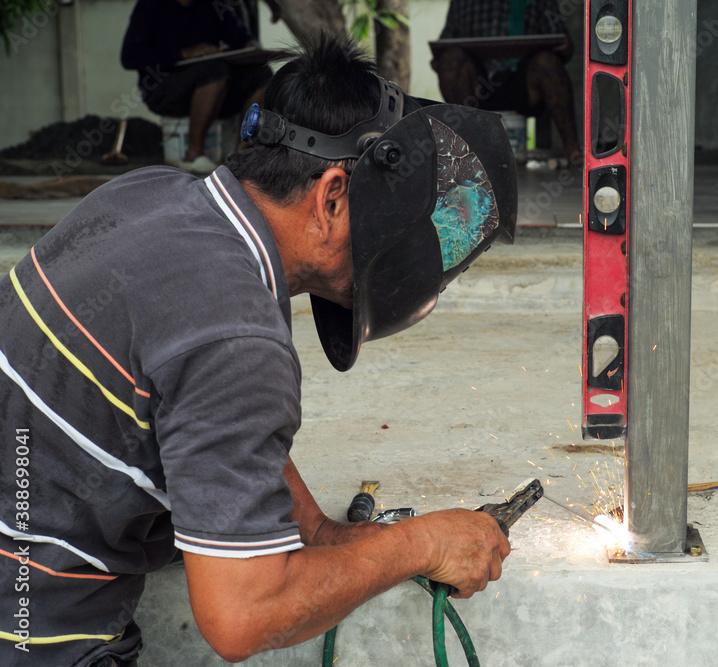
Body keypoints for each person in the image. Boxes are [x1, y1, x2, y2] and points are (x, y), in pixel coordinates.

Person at [0, 38, 517, 666]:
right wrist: (424, 543)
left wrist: (321, 534)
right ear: (331, 197)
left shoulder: (153, 197)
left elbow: (205, 415)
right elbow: (242, 616)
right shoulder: (236, 336)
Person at [120, 0, 273, 174]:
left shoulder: (213, 4)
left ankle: (242, 153)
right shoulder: (150, 5)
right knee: (213, 69)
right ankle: (193, 153)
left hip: (216, 90)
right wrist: (182, 54)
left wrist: (250, 45)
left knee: (261, 73)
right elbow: (130, 56)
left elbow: (241, 37)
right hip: (162, 91)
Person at [433, 0, 581, 163]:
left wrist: (566, 46)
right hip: (477, 86)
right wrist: (441, 61)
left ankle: (573, 152)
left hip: (523, 82)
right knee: (451, 60)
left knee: (547, 62)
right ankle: (463, 153)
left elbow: (562, 42)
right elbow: (445, 44)